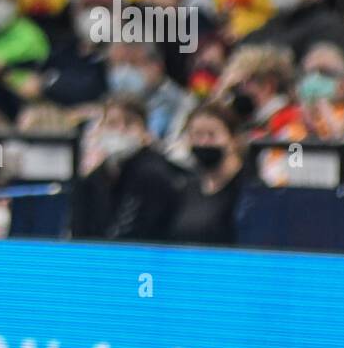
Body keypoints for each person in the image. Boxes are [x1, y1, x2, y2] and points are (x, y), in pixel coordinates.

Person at [69, 95, 185, 242]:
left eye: (129, 123)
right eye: (112, 124)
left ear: (145, 133)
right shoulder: (95, 176)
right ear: (100, 129)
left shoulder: (153, 173)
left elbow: (132, 232)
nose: (120, 130)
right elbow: (79, 227)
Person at [168, 102, 245, 246]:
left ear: (234, 140)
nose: (203, 142)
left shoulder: (248, 188)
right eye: (197, 135)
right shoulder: (186, 186)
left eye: (212, 135)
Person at [104, 38, 193, 143]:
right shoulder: (115, 101)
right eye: (122, 65)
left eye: (134, 64)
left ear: (156, 66)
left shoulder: (181, 101)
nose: (127, 71)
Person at [213, 43, 299, 140]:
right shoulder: (249, 121)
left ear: (267, 85)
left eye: (242, 85)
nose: (238, 92)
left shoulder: (288, 119)